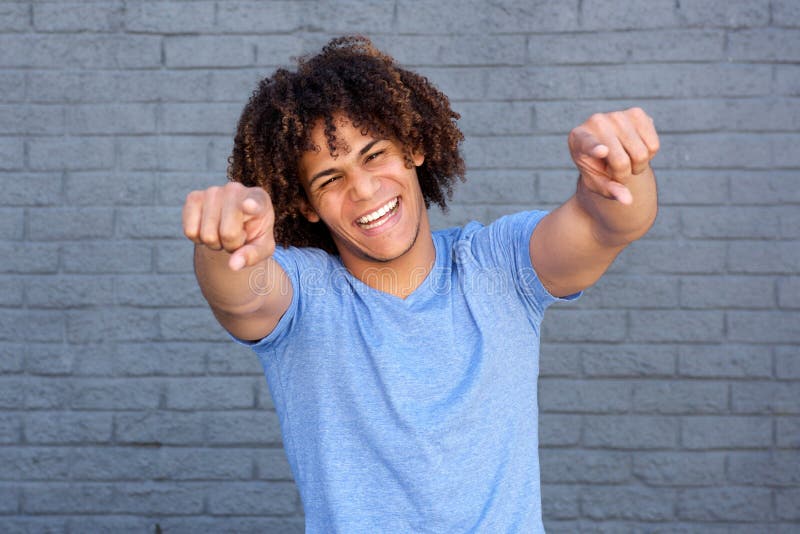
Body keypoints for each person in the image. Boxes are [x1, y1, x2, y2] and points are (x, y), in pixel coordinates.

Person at [182, 35, 658, 532]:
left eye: (374, 156)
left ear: (414, 148)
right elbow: (241, 297)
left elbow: (609, 224)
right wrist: (224, 242)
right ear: (304, 206)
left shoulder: (499, 266)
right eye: (329, 179)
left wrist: (621, 169)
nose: (364, 190)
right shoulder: (307, 296)